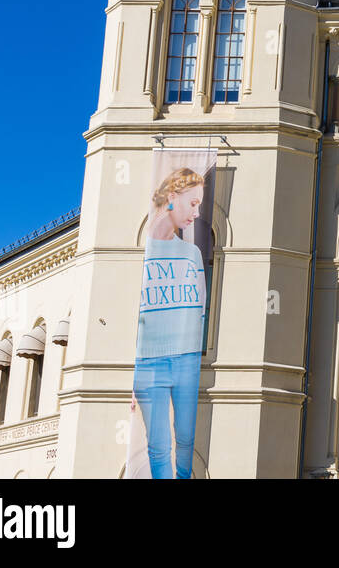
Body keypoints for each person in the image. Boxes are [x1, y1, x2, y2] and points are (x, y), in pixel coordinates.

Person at [134, 167, 206, 479]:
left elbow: (200, 308)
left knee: (187, 441)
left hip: (187, 357)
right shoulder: (141, 248)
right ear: (173, 197)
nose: (197, 212)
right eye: (193, 203)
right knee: (158, 446)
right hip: (146, 362)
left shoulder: (192, 252)